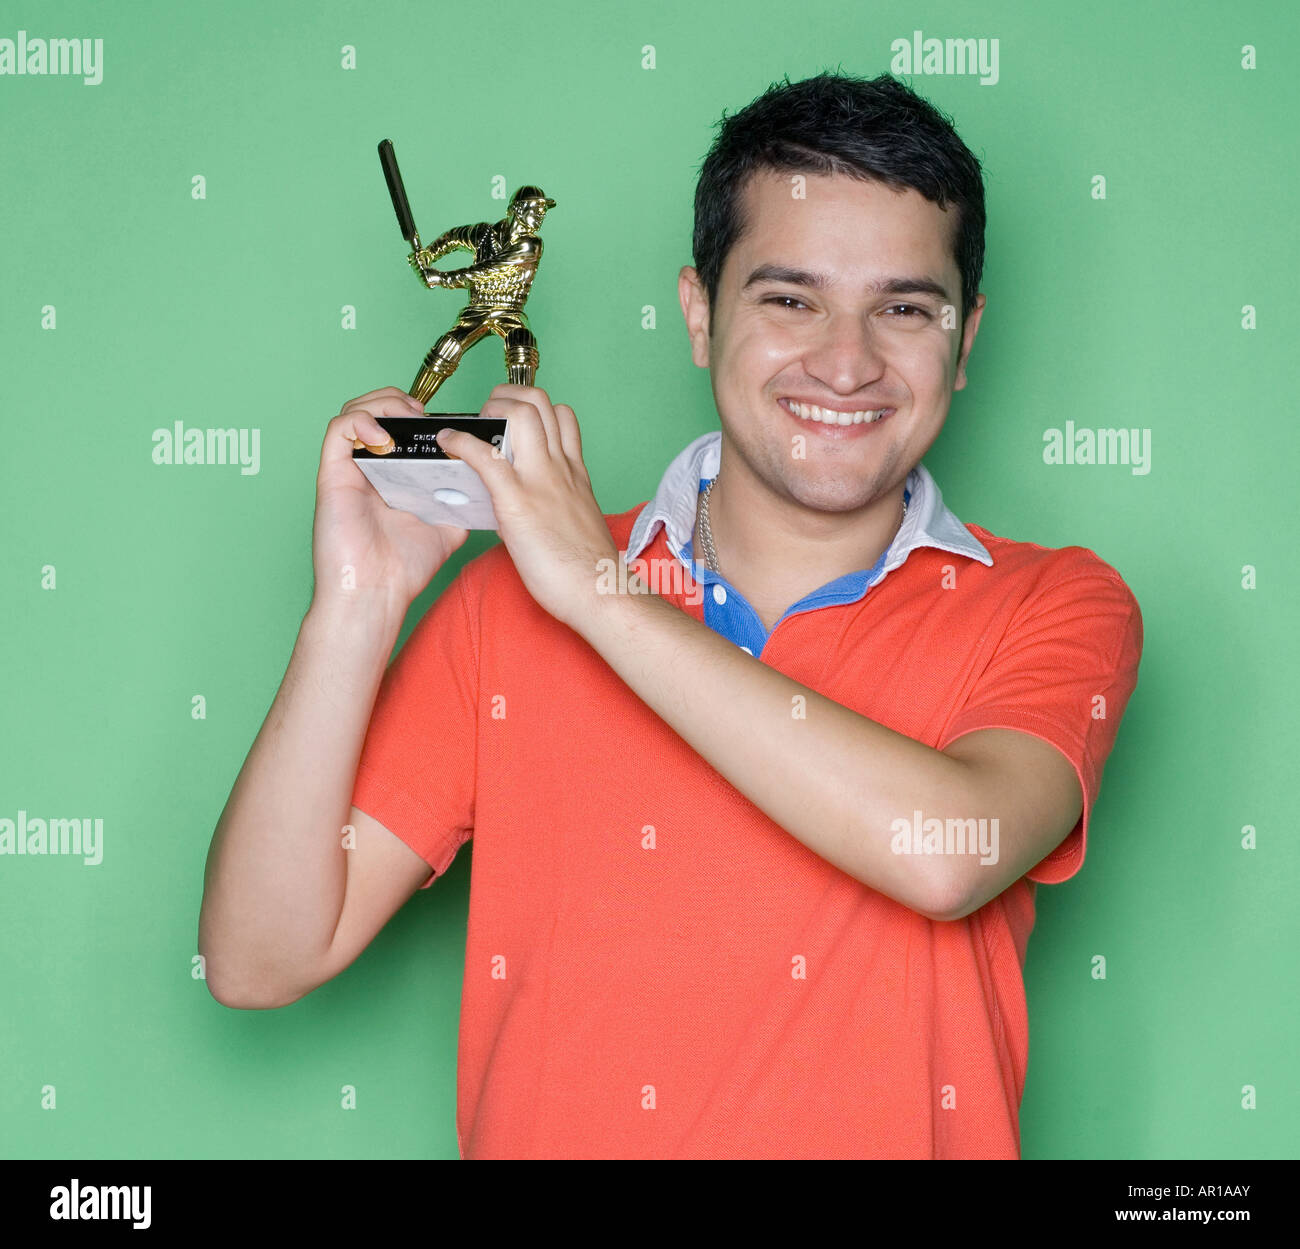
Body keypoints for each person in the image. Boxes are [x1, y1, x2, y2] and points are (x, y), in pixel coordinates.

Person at [199, 71, 1143, 1159]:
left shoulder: (1056, 602)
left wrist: (598, 595)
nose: (846, 361)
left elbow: (943, 855)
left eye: (903, 307)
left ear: (966, 336)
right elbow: (258, 959)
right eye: (788, 299)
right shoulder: (508, 601)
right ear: (698, 314)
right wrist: (356, 608)